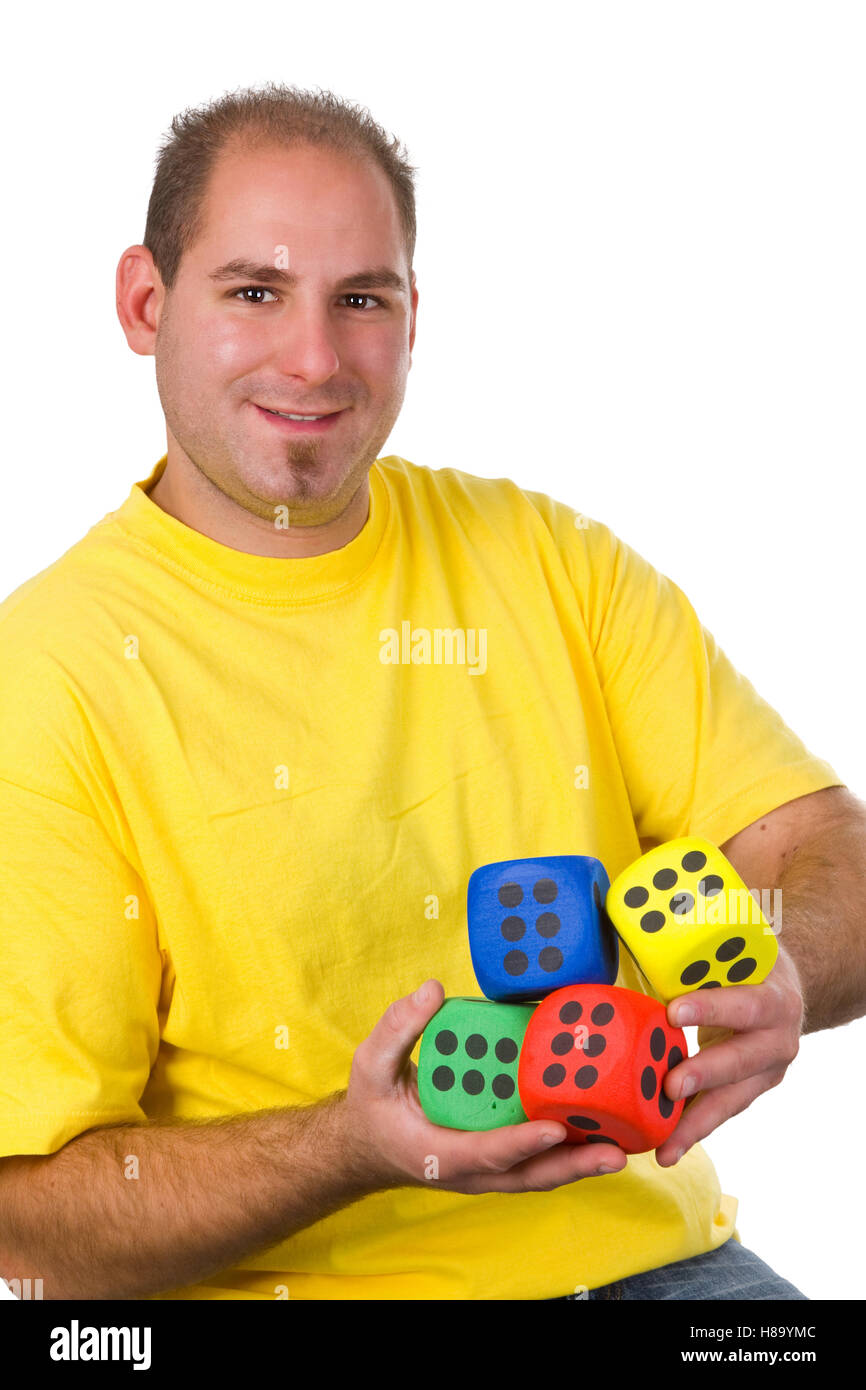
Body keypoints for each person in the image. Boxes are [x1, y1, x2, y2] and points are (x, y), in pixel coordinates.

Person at [0, 82, 863, 1303]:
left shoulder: (550, 560)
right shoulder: (47, 677)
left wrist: (779, 962)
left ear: (413, 320)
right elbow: (28, 1222)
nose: (315, 358)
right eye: (255, 291)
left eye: (362, 300)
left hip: (671, 1275)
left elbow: (823, 845)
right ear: (146, 303)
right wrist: (348, 1148)